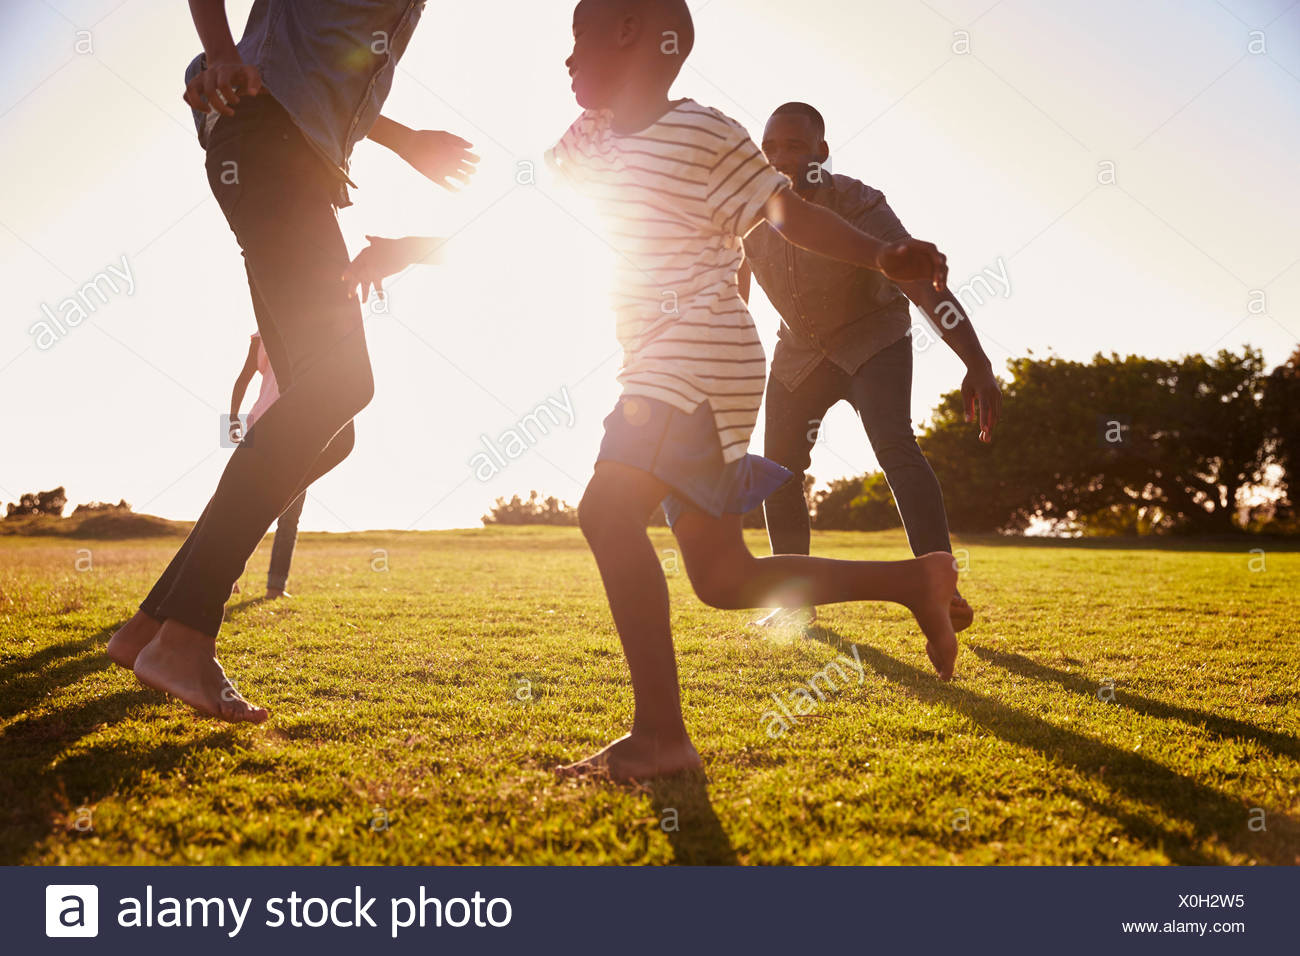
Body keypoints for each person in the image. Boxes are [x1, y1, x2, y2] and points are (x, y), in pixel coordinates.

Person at [541, 0, 960, 781]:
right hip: (666, 358)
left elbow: (786, 214)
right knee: (724, 579)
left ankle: (661, 741)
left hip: (697, 349)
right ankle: (912, 581)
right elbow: (527, 212)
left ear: (632, 33)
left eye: (580, 36)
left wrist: (883, 255)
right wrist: (415, 250)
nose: (567, 57)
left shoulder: (703, 131)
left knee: (605, 509)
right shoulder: (590, 138)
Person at [104, 0, 479, 723]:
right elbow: (278, 69)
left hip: (285, 153)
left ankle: (150, 625)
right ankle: (184, 638)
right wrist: (216, 54)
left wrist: (402, 142)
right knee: (342, 382)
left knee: (332, 424)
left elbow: (317, 74)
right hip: (267, 146)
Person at [739, 102, 1002, 631]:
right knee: (778, 470)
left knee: (895, 446)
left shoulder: (860, 203)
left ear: (821, 152)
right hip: (799, 352)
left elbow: (921, 284)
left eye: (793, 145)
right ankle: (795, 599)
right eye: (769, 147)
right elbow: (734, 286)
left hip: (872, 340)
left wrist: (977, 361)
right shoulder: (749, 207)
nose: (778, 157)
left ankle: (941, 588)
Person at [230, 333, 307, 600]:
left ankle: (235, 579)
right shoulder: (267, 337)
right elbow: (243, 379)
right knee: (286, 515)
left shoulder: (266, 336)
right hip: (285, 429)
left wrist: (233, 420)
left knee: (248, 510)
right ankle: (273, 587)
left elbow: (242, 380)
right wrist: (232, 419)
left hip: (271, 425)